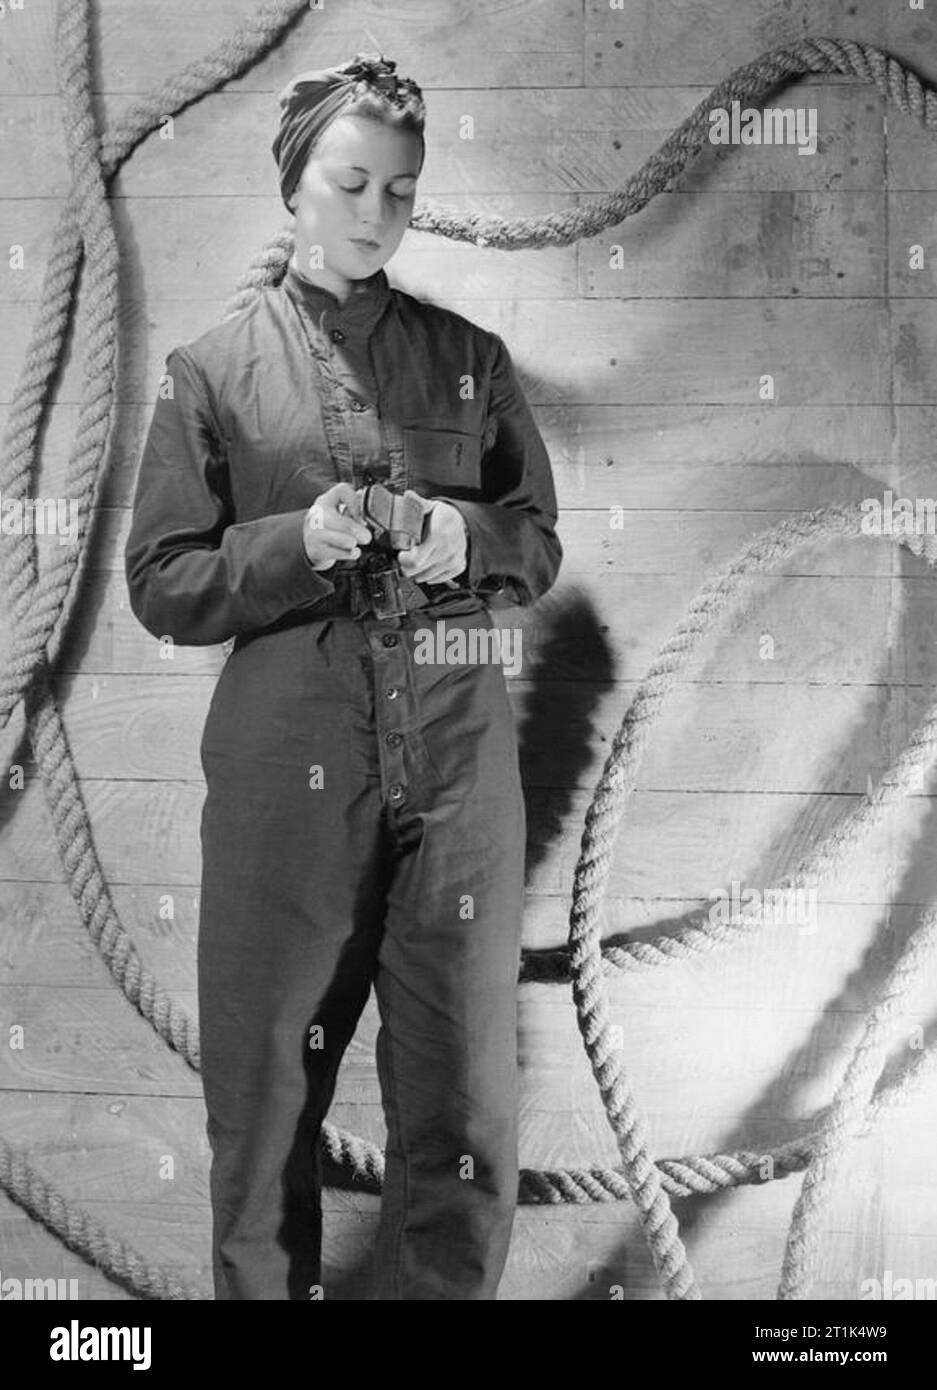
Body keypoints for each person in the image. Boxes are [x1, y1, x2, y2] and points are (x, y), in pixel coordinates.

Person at [124, 51, 563, 1301]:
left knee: (467, 1106)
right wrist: (288, 543)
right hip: (285, 778)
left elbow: (533, 539)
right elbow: (160, 579)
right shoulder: (209, 374)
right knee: (264, 1106)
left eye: (402, 191)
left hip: (461, 770)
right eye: (351, 181)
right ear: (294, 182)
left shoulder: (469, 358)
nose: (376, 215)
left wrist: (462, 538)